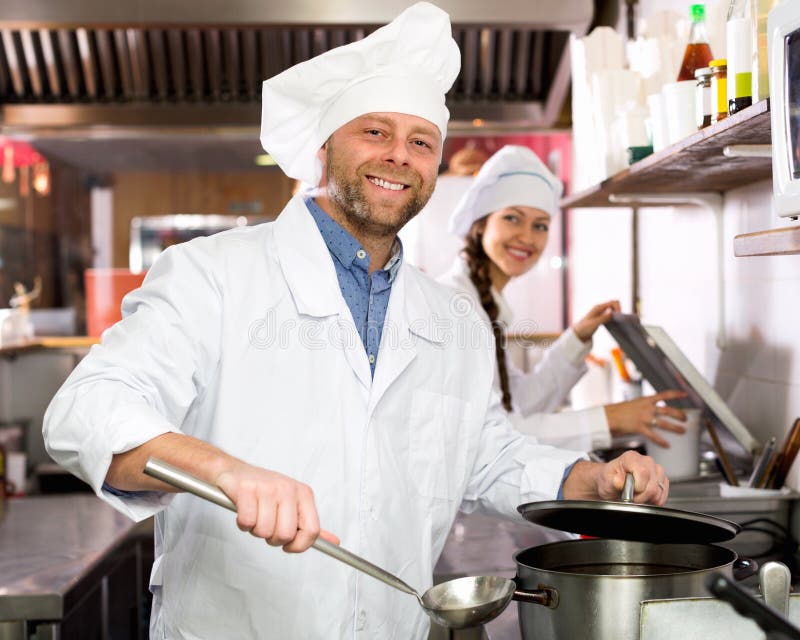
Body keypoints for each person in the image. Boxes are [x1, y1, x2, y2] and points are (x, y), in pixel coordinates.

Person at [43, 5, 668, 639]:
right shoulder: (211, 274)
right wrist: (223, 471)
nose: (399, 156)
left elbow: (484, 455)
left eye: (421, 142)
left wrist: (586, 477)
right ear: (324, 145)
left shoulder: (453, 317)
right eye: (374, 131)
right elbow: (87, 409)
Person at [439, 145, 688, 452]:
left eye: (540, 225)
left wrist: (577, 338)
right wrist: (609, 419)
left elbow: (519, 403)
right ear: (480, 225)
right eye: (512, 218)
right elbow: (487, 434)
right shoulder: (456, 307)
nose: (527, 237)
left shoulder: (482, 304)